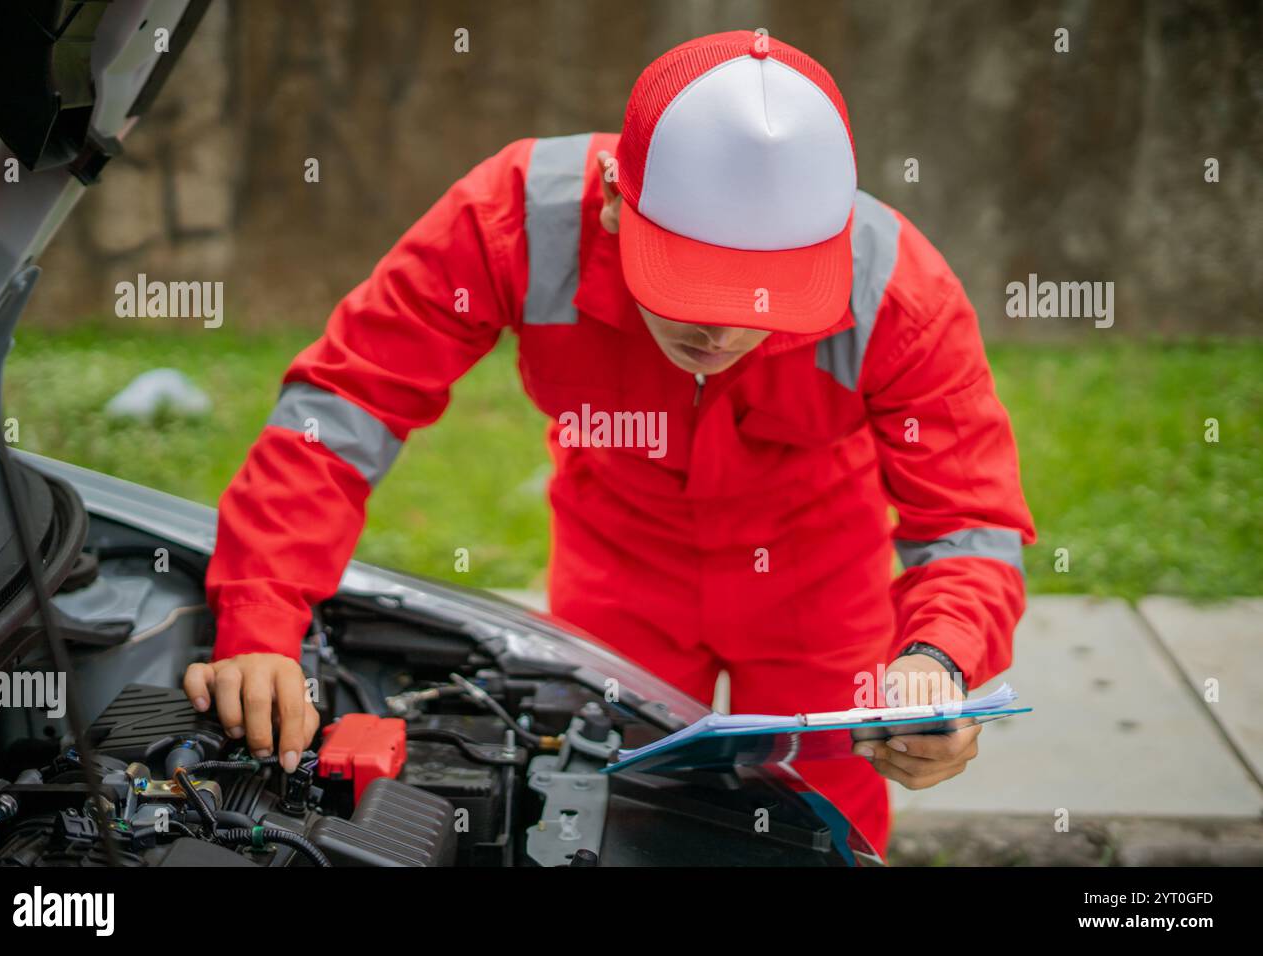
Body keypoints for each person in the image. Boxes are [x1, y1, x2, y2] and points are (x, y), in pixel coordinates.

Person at [182, 30, 1035, 856]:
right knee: (604, 804)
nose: (720, 332)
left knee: (819, 819)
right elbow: (349, 399)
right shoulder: (509, 218)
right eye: (691, 285)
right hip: (618, 570)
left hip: (819, 579)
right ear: (618, 199)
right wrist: (263, 612)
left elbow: (969, 521)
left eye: (757, 300)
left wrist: (937, 663)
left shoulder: (896, 287)